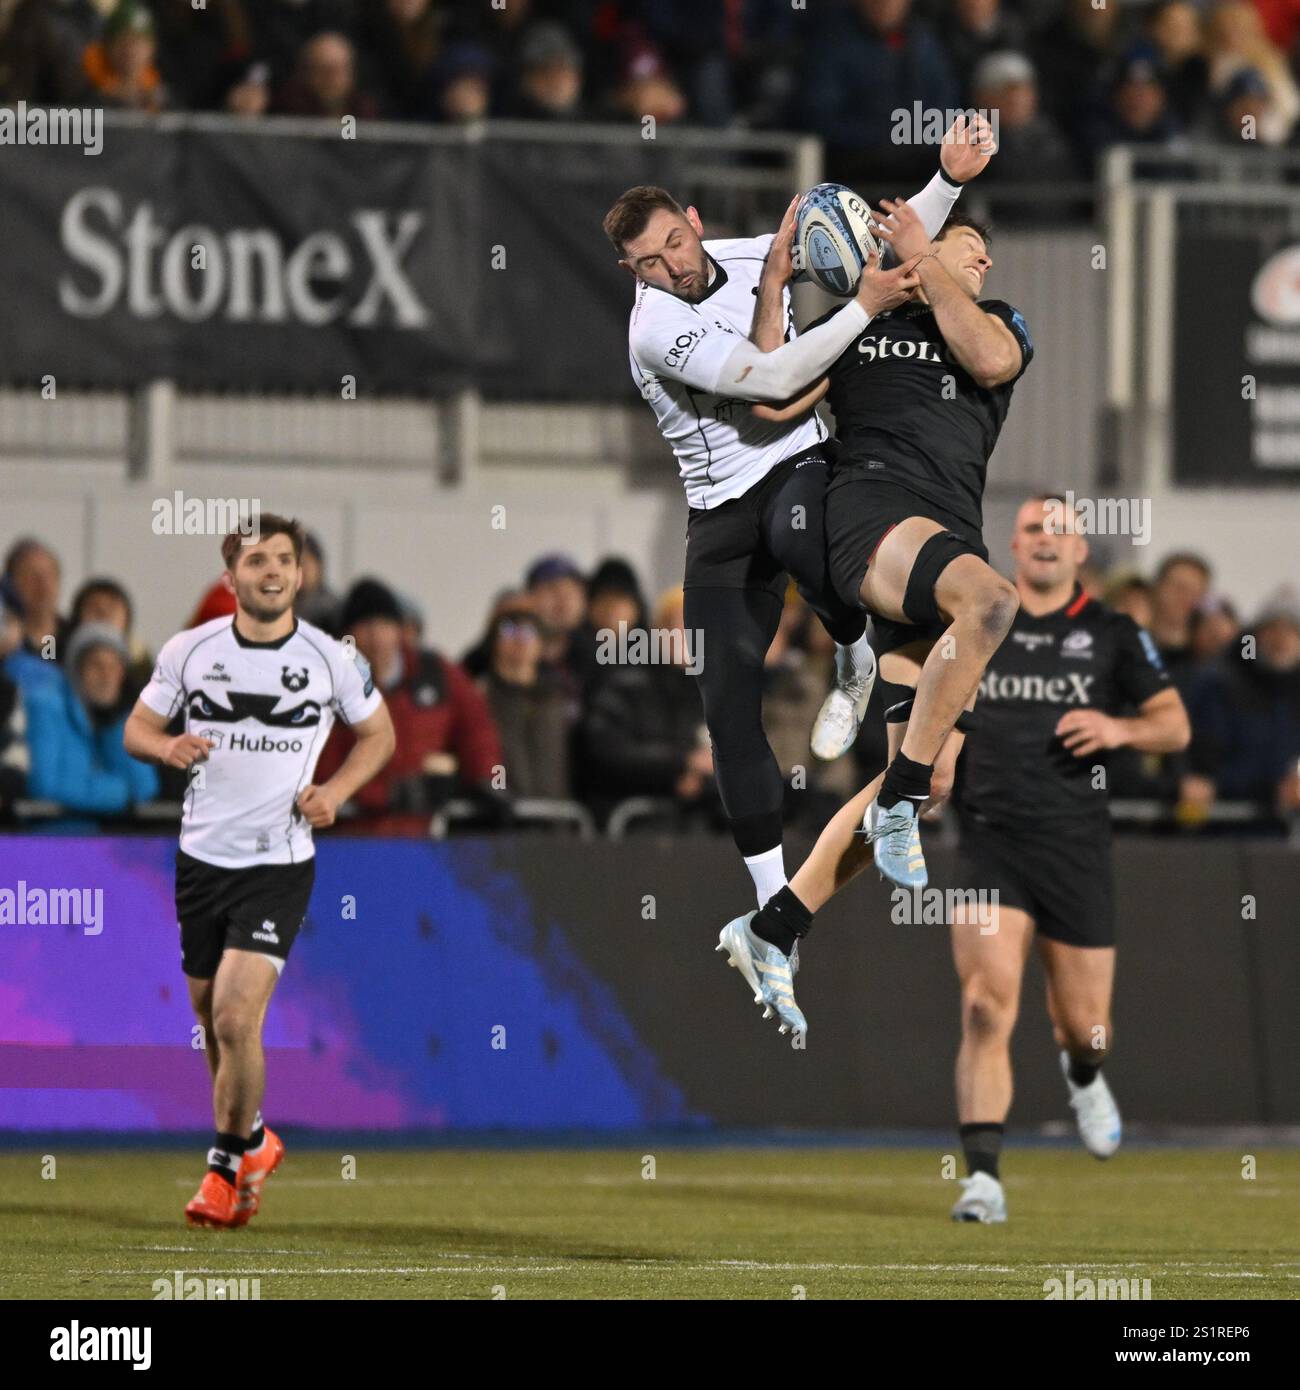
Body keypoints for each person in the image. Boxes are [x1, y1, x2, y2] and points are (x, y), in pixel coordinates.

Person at [603, 119, 991, 920]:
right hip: (716, 507)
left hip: (799, 468)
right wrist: (861, 306)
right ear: (629, 271)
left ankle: (852, 652)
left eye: (676, 241)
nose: (672, 264)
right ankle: (771, 898)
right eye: (649, 260)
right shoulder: (654, 330)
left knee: (798, 530)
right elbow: (773, 383)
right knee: (725, 706)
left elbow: (881, 238)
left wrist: (946, 180)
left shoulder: (754, 251)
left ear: (695, 222)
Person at [719, 202, 1031, 1035]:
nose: (983, 264)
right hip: (870, 510)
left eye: (978, 254)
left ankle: (773, 925)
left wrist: (930, 262)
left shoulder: (993, 323)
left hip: (942, 540)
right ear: (920, 244)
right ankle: (897, 799)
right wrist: (777, 290)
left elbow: (994, 361)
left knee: (939, 779)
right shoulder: (860, 323)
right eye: (973, 246)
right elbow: (765, 404)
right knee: (994, 601)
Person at [123, 515, 395, 1229]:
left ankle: (220, 1166)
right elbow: (136, 729)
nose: (270, 571)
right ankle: (254, 1141)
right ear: (231, 577)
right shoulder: (191, 650)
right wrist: (167, 746)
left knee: (238, 1016)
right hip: (201, 859)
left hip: (278, 860)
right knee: (211, 1019)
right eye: (254, 560)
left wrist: (334, 793)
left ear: (301, 575)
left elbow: (379, 734)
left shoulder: (332, 659)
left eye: (283, 559)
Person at [945, 496, 1189, 1222]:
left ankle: (1084, 1075)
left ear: (1082, 550)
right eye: (1031, 530)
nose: (1045, 541)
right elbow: (938, 703)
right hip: (991, 837)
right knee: (986, 1005)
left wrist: (1116, 727)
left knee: (1085, 1028)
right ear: (1012, 548)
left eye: (1060, 531)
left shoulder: (1113, 632)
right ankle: (983, 1178)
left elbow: (1173, 727)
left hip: (1075, 847)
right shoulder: (983, 620)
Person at [313, 577, 501, 834]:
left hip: (425, 841)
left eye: (384, 624)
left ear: (399, 629)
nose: (377, 636)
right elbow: (321, 768)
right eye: (366, 625)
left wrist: (489, 782)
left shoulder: (437, 673)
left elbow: (478, 733)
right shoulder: (330, 687)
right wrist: (387, 794)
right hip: (351, 843)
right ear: (348, 636)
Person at [26, 624, 159, 826]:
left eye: (114, 667)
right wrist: (120, 793)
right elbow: (43, 785)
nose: (106, 676)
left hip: (100, 843)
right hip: (49, 840)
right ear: (76, 670)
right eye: (96, 665)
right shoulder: (47, 706)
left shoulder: (120, 718)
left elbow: (144, 789)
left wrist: (114, 722)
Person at [479, 605, 571, 801]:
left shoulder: (556, 700)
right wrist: (496, 792)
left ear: (540, 644)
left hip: (557, 817)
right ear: (494, 641)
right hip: (497, 818)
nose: (520, 639)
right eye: (509, 630)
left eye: (529, 632)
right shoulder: (478, 698)